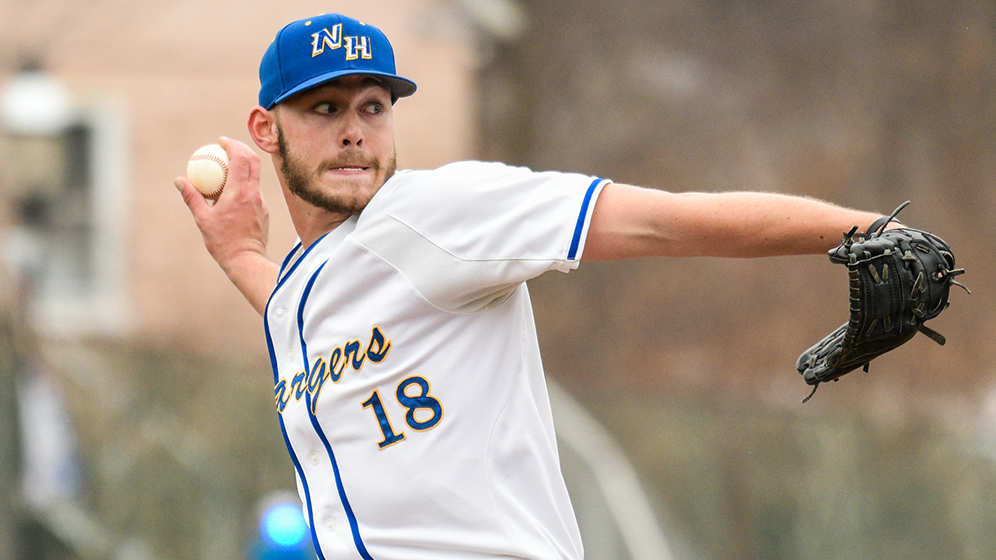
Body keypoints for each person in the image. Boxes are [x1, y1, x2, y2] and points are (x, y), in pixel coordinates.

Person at [175, 13, 900, 560]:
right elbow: (307, 313)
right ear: (265, 130)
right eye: (325, 109)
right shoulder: (306, 284)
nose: (356, 131)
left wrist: (869, 231)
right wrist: (239, 254)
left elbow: (667, 222)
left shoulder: (435, 212)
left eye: (373, 106)